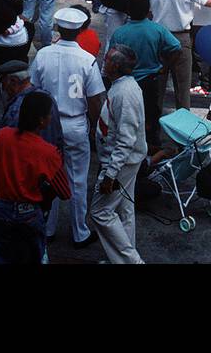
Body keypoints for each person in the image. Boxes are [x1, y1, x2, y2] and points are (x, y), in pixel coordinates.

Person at [30, 6, 104, 247]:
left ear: (58, 29)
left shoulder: (43, 55)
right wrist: (94, 127)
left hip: (46, 125)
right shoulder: (87, 60)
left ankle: (48, 229)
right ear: (82, 30)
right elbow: (95, 100)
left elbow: (33, 89)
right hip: (75, 125)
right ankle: (79, 232)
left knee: (47, 176)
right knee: (78, 179)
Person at [0, 89, 71, 264]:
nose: (51, 117)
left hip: (0, 209)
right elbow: (64, 192)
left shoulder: (2, 136)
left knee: (1, 257)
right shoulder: (48, 152)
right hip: (29, 213)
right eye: (49, 114)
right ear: (41, 120)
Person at [88, 43, 147, 264]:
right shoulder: (122, 87)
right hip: (125, 162)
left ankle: (132, 261)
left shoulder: (125, 92)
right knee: (124, 211)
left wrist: (111, 174)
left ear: (116, 66)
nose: (104, 61)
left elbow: (126, 139)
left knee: (100, 212)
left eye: (108, 60)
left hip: (120, 164)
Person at [145, 0, 211, 112]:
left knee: (157, 89)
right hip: (181, 39)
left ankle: (153, 129)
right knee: (183, 91)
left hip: (158, 38)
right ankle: (182, 130)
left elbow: (147, 13)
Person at [110, 0, 180, 148]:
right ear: (148, 11)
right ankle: (152, 152)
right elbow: (176, 48)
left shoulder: (120, 33)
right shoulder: (157, 29)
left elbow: (111, 59)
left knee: (125, 119)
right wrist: (165, 68)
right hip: (149, 82)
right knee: (150, 119)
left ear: (128, 11)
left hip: (126, 82)